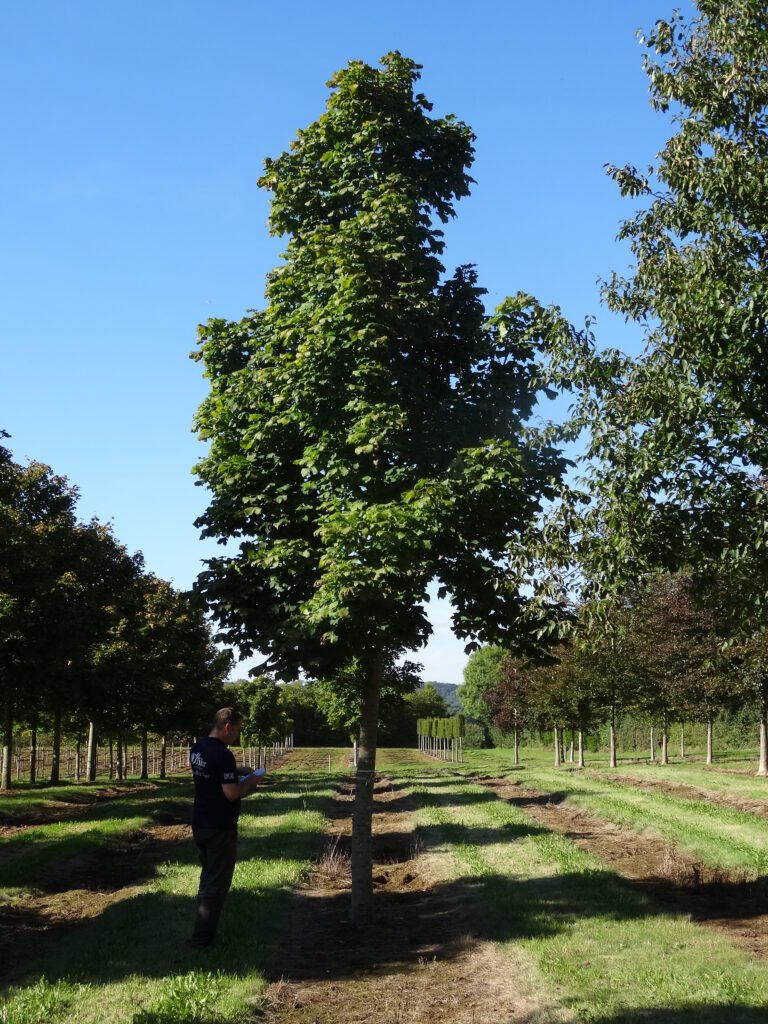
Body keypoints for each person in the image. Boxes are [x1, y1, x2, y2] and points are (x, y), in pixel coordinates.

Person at [187, 706, 264, 948]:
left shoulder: (199, 748)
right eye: (237, 730)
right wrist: (251, 782)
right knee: (217, 884)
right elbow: (231, 793)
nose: (237, 736)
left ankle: (201, 928)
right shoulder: (223, 754)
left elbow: (213, 774)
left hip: (201, 821)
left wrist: (236, 771)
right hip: (220, 826)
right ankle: (202, 940)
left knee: (207, 878)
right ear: (228, 726)